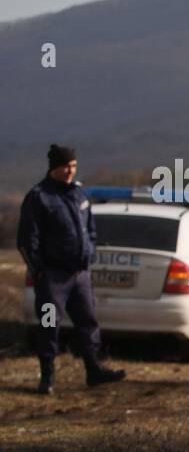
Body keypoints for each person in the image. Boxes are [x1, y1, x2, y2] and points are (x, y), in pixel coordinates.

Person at [16, 144, 126, 394]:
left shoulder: (79, 195)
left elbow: (91, 230)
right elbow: (26, 240)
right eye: (65, 166)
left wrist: (90, 252)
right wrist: (39, 270)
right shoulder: (39, 197)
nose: (70, 171)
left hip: (80, 275)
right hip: (52, 277)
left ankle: (93, 370)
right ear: (54, 166)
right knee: (48, 324)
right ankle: (47, 376)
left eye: (73, 166)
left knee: (88, 322)